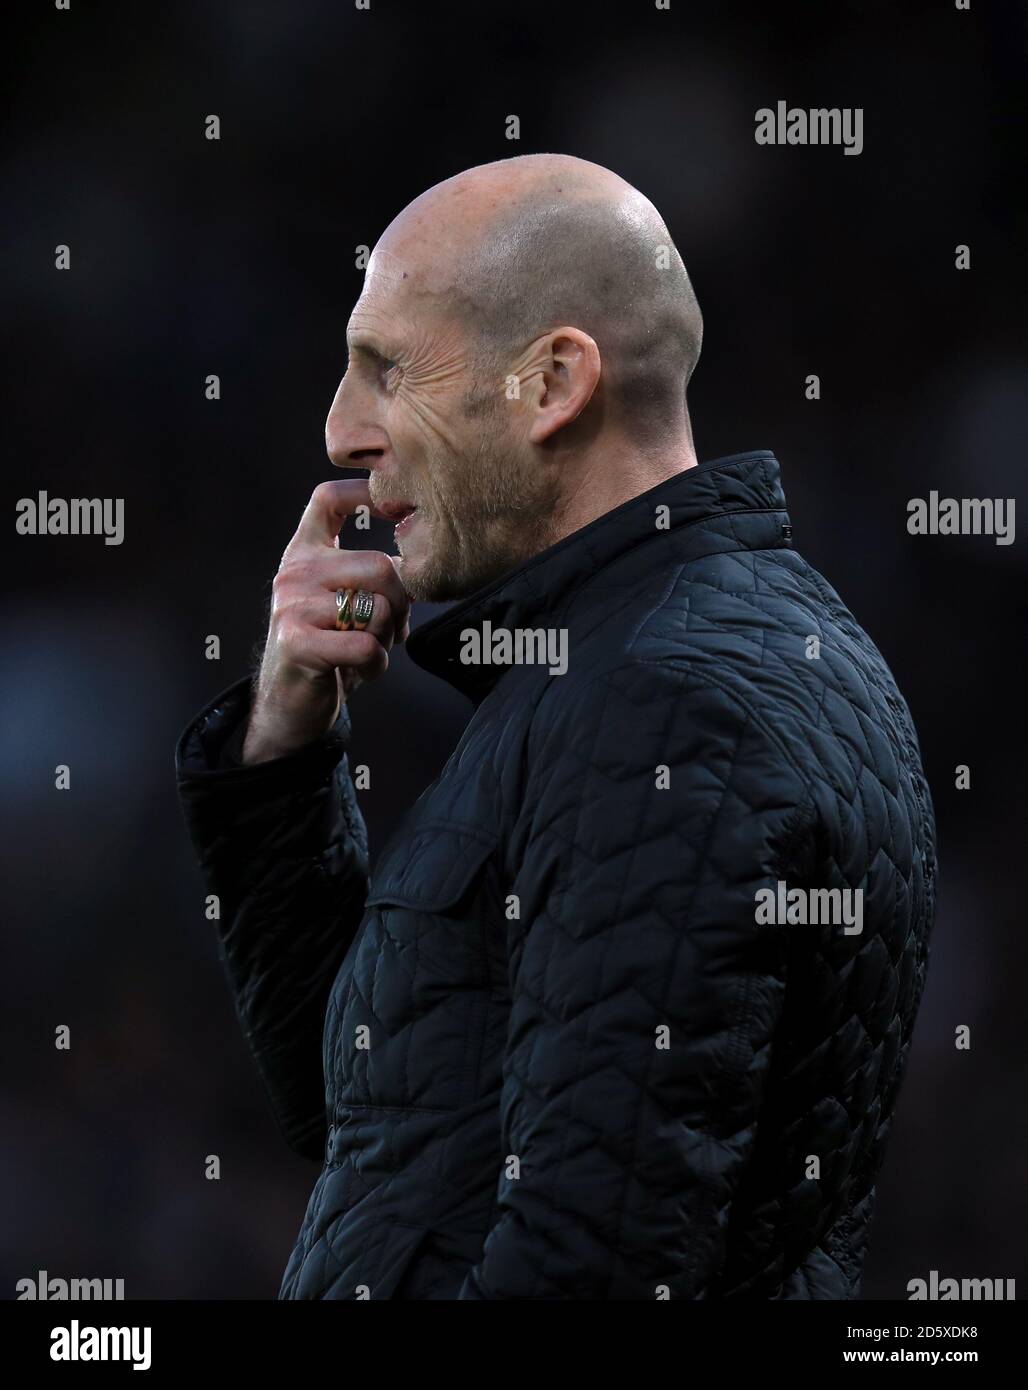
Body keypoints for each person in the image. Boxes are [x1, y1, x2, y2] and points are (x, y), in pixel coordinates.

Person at [175, 153, 937, 1299]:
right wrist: (285, 752)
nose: (341, 432)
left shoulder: (666, 705)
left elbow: (588, 1266)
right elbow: (377, 1121)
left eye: (386, 369)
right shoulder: (622, 664)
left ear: (552, 381)